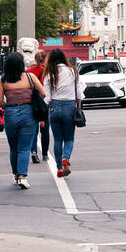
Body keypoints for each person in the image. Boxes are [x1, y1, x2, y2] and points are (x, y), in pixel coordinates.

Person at [0, 51, 46, 190]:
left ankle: (15, 174)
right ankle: (22, 176)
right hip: (28, 113)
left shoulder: (3, 81)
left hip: (11, 113)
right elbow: (43, 93)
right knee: (24, 147)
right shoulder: (30, 77)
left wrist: (9, 105)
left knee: (13, 147)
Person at [44, 49, 82, 178]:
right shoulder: (73, 71)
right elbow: (79, 93)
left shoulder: (49, 74)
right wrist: (79, 107)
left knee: (58, 139)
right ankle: (66, 158)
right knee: (69, 138)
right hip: (69, 107)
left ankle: (59, 168)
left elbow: (47, 98)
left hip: (54, 108)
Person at [25, 48, 50, 165]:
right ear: (45, 59)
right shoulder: (47, 71)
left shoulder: (28, 71)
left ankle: (34, 151)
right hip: (44, 101)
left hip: (32, 101)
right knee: (45, 130)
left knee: (34, 129)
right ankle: (45, 154)